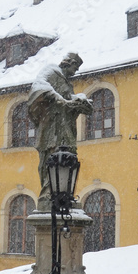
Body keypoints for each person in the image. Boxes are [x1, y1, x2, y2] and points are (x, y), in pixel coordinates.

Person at [28, 53, 92, 210]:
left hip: (65, 126)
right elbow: (39, 86)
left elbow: (69, 100)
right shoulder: (51, 71)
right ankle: (48, 195)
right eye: (74, 67)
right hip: (51, 126)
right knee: (51, 157)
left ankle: (64, 195)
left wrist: (79, 102)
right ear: (66, 63)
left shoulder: (68, 84)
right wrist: (56, 97)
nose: (75, 72)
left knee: (69, 157)